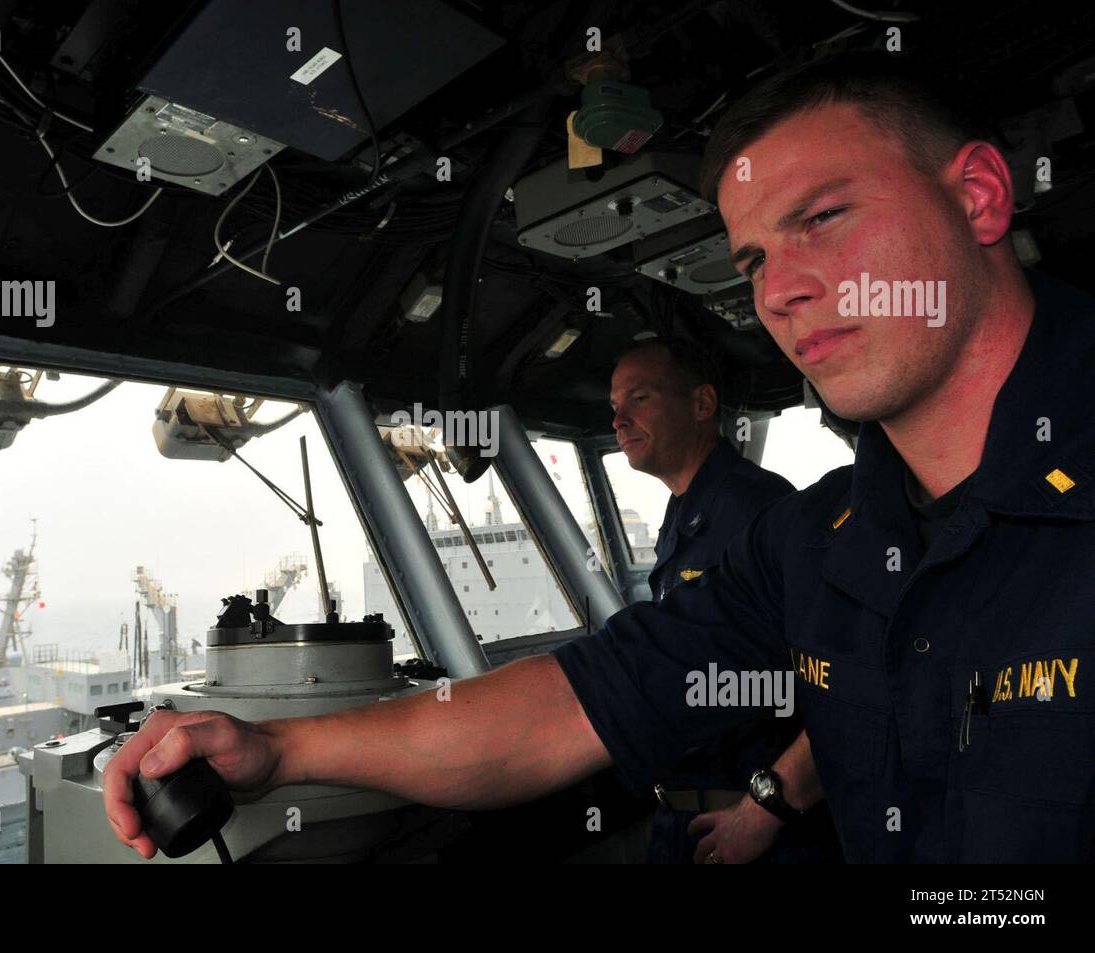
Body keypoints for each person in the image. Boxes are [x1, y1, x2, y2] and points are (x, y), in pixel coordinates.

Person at [104, 56, 1095, 863]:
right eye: (751, 262)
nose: (781, 291)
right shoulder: (821, 538)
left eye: (823, 217)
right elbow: (562, 706)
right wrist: (280, 748)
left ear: (976, 196)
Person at [611, 337, 837, 863]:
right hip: (688, 813)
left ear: (702, 404)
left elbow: (835, 678)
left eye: (639, 399)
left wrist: (767, 809)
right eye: (614, 407)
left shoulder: (760, 510)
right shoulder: (683, 512)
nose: (620, 419)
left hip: (757, 823)